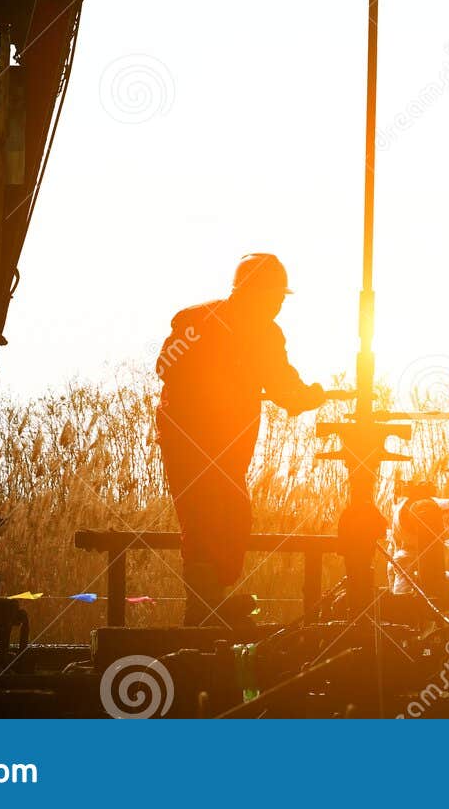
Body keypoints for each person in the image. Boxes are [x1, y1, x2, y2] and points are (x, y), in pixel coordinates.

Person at [156, 253, 325, 625]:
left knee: (231, 512)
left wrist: (308, 396)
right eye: (276, 294)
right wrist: (219, 379)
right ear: (253, 292)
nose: (280, 303)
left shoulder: (267, 335)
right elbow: (166, 366)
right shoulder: (198, 321)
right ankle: (201, 608)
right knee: (202, 513)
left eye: (282, 296)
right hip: (188, 437)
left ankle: (213, 598)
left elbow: (283, 383)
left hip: (230, 442)